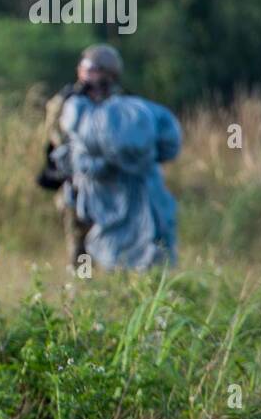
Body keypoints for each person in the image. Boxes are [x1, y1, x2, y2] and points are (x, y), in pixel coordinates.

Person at [39, 44, 181, 271]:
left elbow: (135, 139)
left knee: (120, 237)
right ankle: (81, 286)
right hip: (79, 183)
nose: (90, 76)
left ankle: (117, 284)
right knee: (79, 238)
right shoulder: (69, 102)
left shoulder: (121, 105)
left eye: (96, 70)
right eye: (87, 69)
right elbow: (57, 137)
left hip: (116, 186)